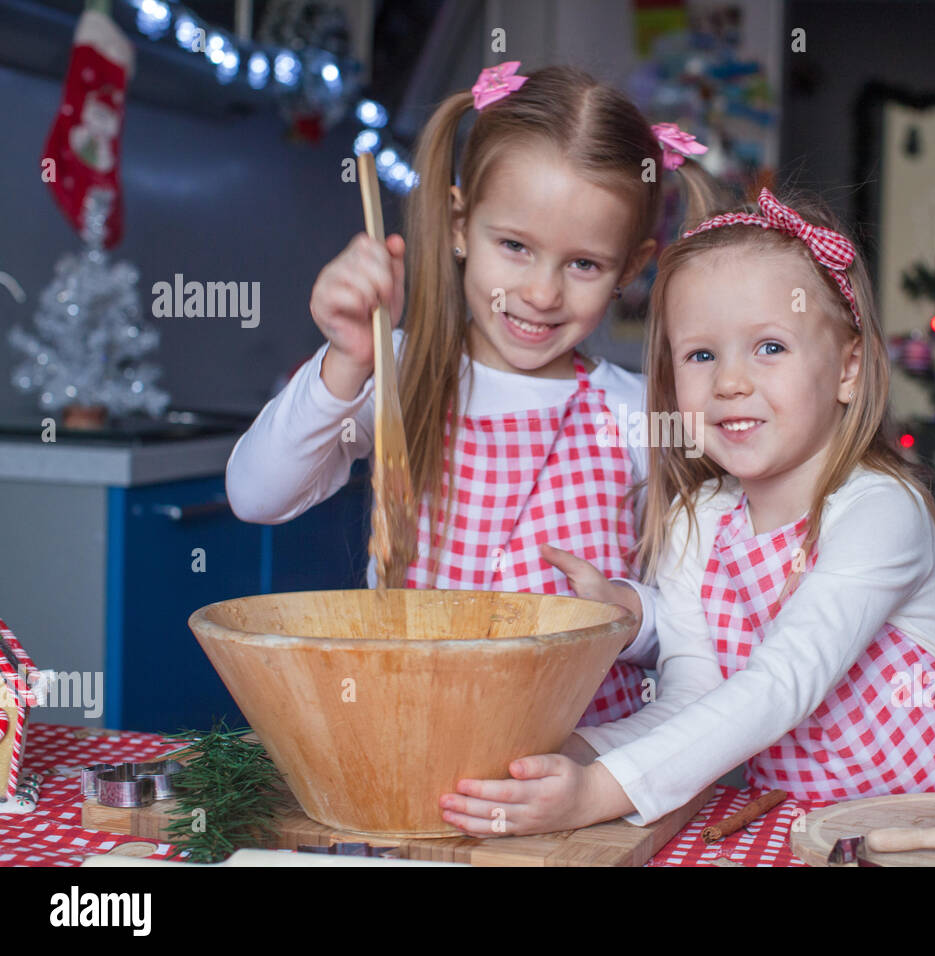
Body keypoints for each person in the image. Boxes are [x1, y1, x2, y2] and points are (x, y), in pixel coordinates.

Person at [440, 188, 935, 834]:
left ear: (849, 367)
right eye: (701, 355)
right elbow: (692, 702)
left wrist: (596, 793)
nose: (730, 382)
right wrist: (563, 755)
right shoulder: (699, 523)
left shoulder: (881, 511)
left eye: (769, 347)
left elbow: (782, 684)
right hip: (799, 839)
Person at [225, 63, 720, 726]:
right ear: (460, 224)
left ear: (630, 268)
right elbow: (256, 495)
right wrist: (347, 360)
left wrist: (632, 613)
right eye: (514, 245)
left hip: (571, 776)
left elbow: (702, 624)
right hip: (407, 743)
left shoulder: (640, 417)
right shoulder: (401, 371)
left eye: (584, 264)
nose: (542, 293)